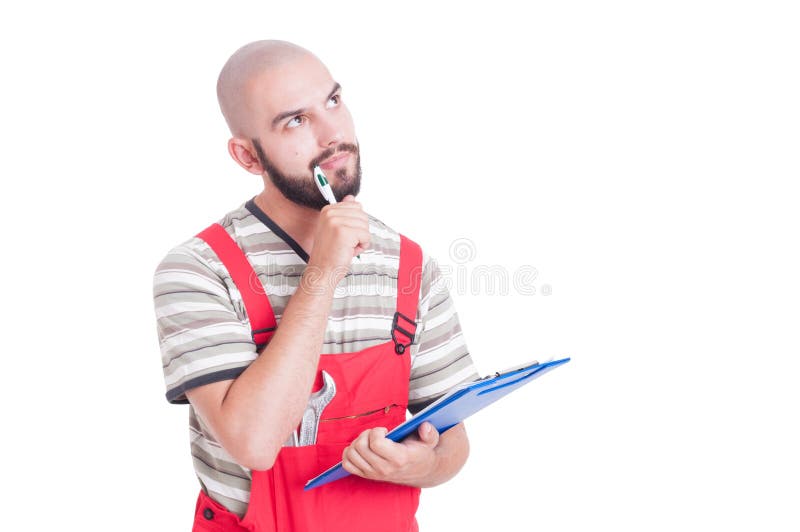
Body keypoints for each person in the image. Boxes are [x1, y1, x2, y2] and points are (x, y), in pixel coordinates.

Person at [153, 40, 479, 532]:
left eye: (333, 101)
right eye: (296, 121)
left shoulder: (409, 265)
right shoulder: (198, 271)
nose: (333, 134)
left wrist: (423, 465)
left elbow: (453, 442)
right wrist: (323, 271)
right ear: (247, 156)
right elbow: (255, 444)